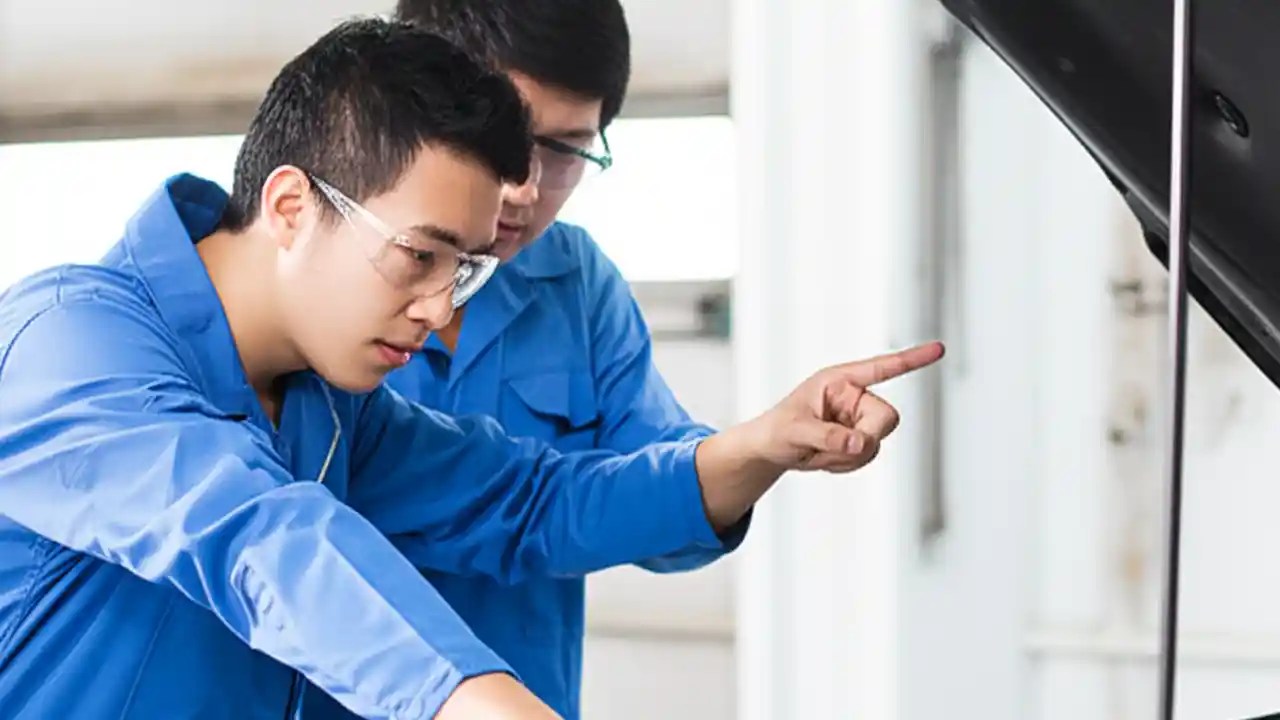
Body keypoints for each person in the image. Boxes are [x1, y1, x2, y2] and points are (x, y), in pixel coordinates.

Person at [0, 16, 942, 720]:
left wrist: (756, 448)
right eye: (419, 256)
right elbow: (257, 536)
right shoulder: (68, 344)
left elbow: (523, 500)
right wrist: (478, 699)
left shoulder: (331, 408)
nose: (442, 309)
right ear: (291, 206)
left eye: (467, 271)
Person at [315, 2, 758, 717]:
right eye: (503, 134)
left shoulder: (576, 285)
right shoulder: (316, 277)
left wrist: (757, 452)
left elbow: (656, 514)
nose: (523, 186)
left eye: (564, 150)